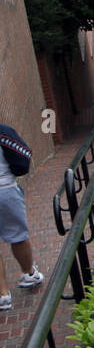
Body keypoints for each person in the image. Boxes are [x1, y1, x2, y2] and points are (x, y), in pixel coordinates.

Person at [0, 123, 42, 311]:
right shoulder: (2, 130)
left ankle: (3, 295)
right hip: (5, 190)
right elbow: (22, 158)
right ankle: (29, 273)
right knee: (18, 236)